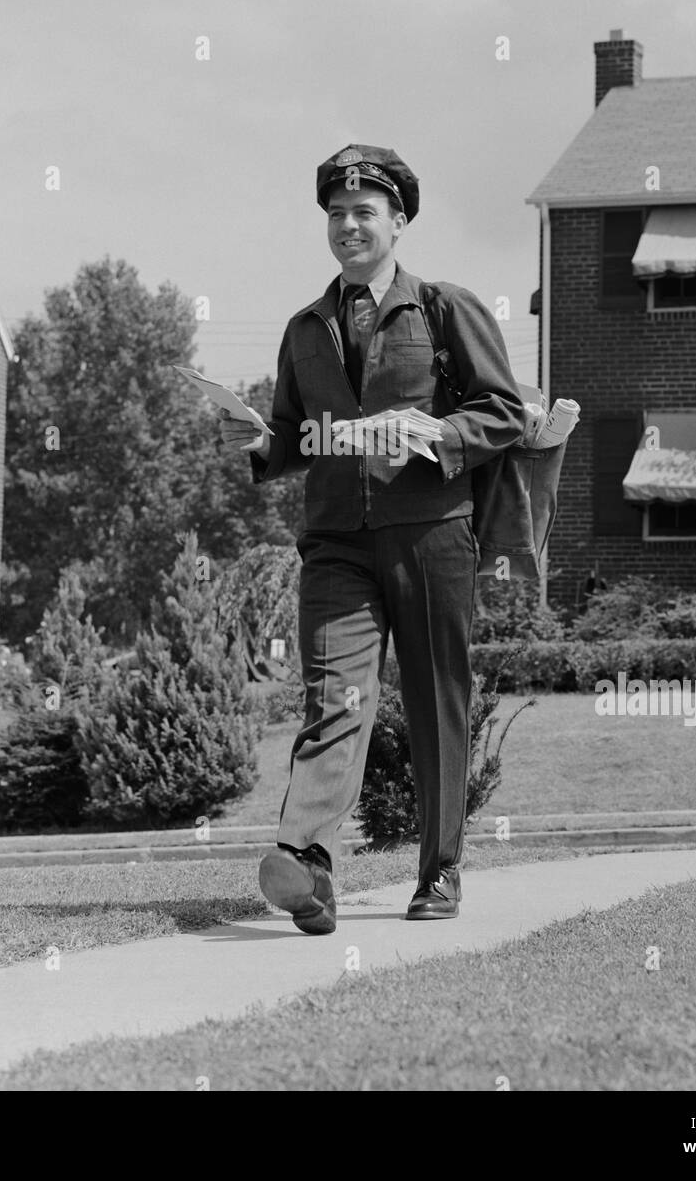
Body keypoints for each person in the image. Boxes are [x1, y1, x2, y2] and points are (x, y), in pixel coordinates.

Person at [219, 144, 525, 933]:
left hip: (430, 534)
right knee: (333, 699)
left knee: (434, 703)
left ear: (398, 220)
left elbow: (504, 412)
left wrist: (434, 433)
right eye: (335, 214)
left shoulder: (445, 309)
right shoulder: (304, 329)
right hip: (335, 542)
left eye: (363, 213)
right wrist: (256, 441)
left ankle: (441, 869)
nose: (347, 226)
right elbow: (291, 433)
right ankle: (307, 866)